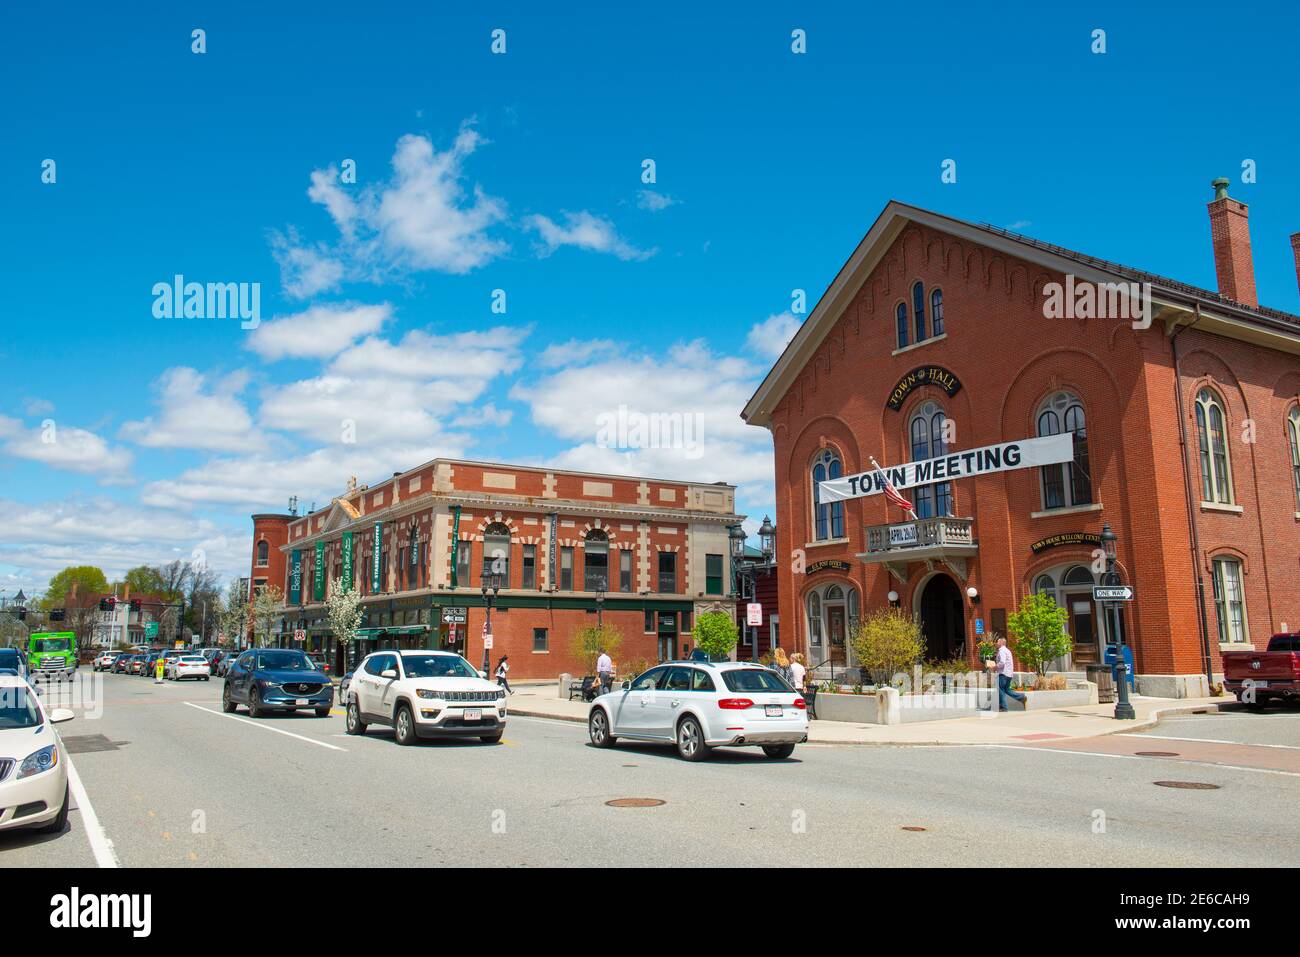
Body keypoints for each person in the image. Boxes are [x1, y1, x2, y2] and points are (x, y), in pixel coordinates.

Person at [995, 637, 1026, 711]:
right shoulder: (1008, 650)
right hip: (1009, 674)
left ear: (1001, 643)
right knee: (1007, 689)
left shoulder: (1002, 650)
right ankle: (1021, 697)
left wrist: (994, 666)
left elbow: (1002, 662)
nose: (996, 643)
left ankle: (1003, 707)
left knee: (1001, 690)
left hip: (1003, 673)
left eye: (997, 642)